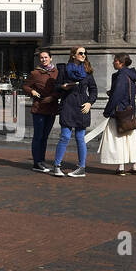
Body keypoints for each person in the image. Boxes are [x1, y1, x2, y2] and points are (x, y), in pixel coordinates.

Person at [51, 47, 97, 177]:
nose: (83, 55)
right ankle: (56, 166)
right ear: (73, 55)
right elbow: (56, 87)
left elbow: (93, 90)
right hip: (68, 105)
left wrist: (89, 103)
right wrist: (63, 87)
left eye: (84, 53)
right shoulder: (64, 70)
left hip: (82, 106)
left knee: (80, 137)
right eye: (80, 53)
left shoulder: (87, 72)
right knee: (65, 136)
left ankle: (81, 168)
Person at [100, 53, 136, 176]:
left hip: (119, 112)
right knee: (130, 138)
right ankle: (135, 165)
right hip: (129, 112)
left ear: (121, 63)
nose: (113, 62)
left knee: (117, 138)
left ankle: (121, 166)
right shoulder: (130, 75)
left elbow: (117, 96)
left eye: (115, 60)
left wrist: (107, 111)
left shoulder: (121, 76)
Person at [23, 49, 59, 172]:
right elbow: (25, 86)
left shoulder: (57, 72)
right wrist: (32, 91)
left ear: (51, 58)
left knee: (45, 137)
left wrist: (53, 97)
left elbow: (59, 89)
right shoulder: (35, 73)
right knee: (38, 136)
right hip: (39, 108)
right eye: (41, 58)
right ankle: (36, 162)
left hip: (52, 108)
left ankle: (42, 161)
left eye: (46, 57)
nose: (43, 60)